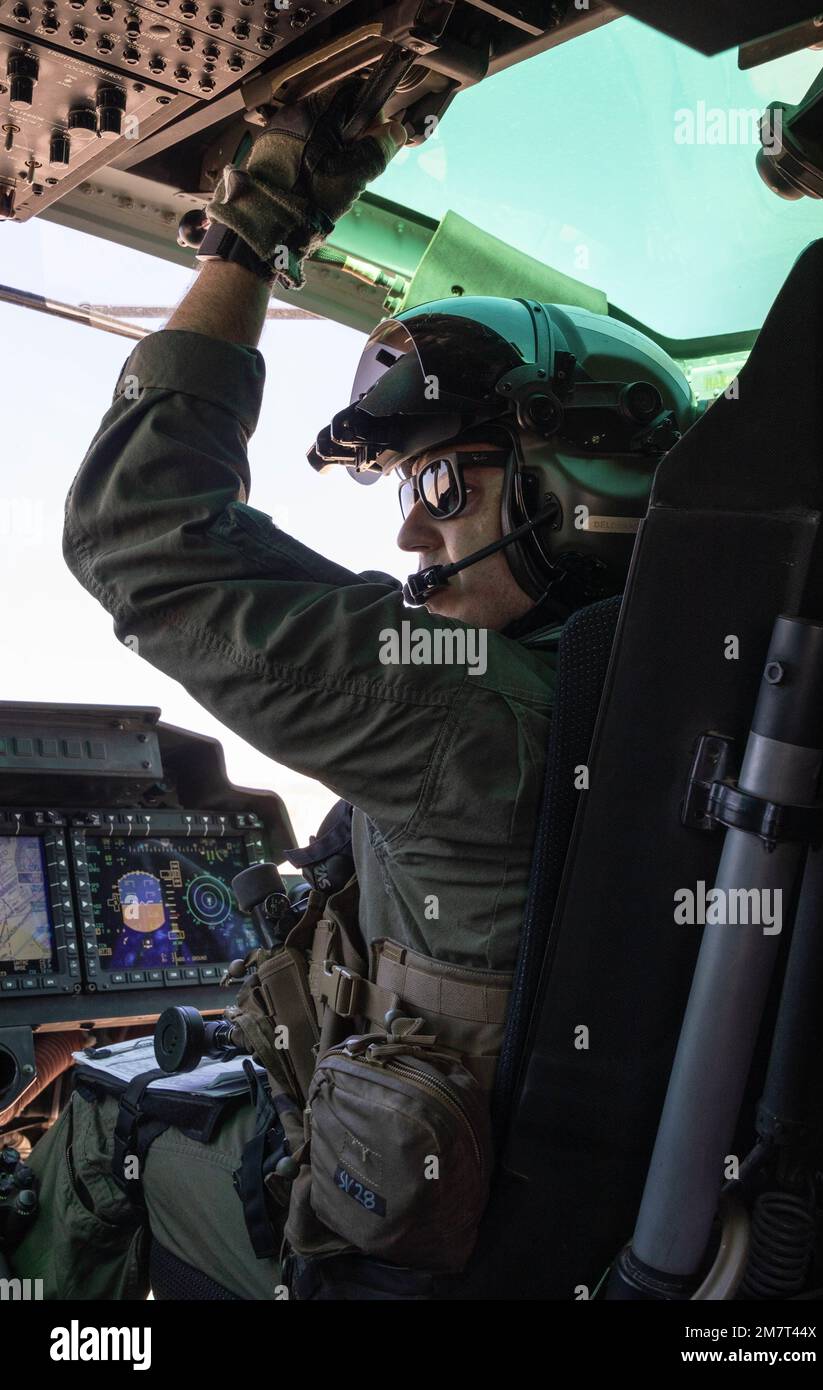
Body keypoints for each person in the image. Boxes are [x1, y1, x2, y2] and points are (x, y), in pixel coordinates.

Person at [9, 76, 693, 1299]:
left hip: (391, 1244)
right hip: (556, 1227)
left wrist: (253, 230)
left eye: (441, 489)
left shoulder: (470, 708)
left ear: (570, 482)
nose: (412, 542)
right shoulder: (664, 697)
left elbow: (140, 530)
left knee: (108, 1124)